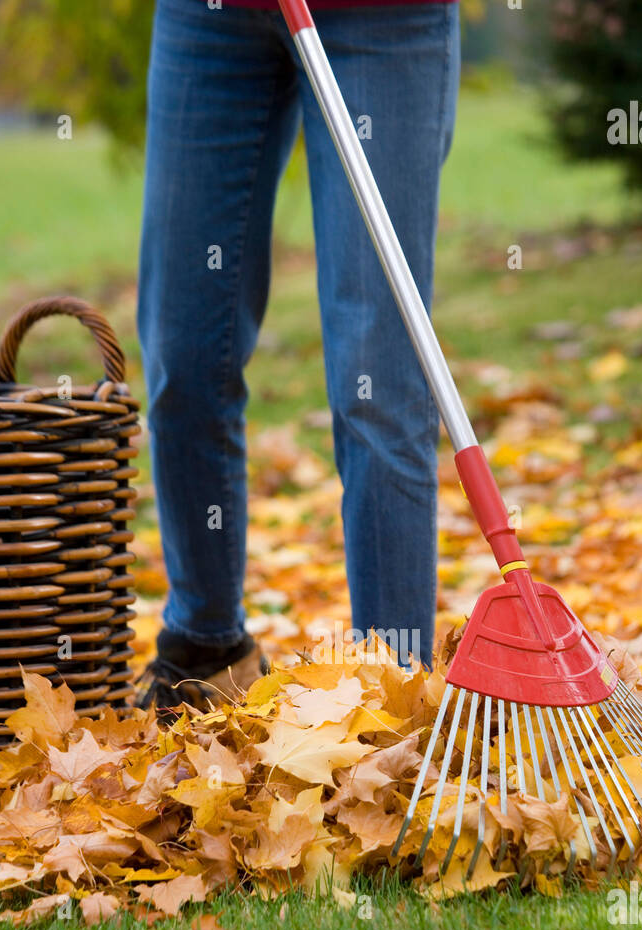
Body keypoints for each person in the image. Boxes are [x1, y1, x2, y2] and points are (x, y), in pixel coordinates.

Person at [136, 0, 460, 713]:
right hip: (210, 18)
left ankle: (393, 689)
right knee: (184, 352)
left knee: (378, 375)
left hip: (384, 17)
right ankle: (208, 649)